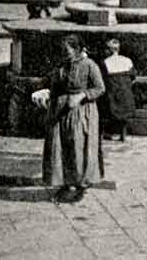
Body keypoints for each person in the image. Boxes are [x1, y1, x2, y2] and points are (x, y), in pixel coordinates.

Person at [41, 34, 105, 203]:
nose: (64, 54)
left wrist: (83, 95)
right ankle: (64, 183)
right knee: (59, 146)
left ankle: (80, 185)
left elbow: (100, 88)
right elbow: (53, 83)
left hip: (82, 112)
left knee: (79, 147)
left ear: (77, 50)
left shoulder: (90, 66)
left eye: (67, 51)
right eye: (63, 51)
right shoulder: (62, 65)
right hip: (60, 110)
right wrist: (45, 92)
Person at [99, 36, 137, 142]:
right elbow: (133, 77)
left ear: (109, 50)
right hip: (126, 93)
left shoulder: (105, 62)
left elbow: (103, 79)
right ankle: (123, 134)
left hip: (112, 94)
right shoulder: (127, 60)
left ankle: (107, 131)